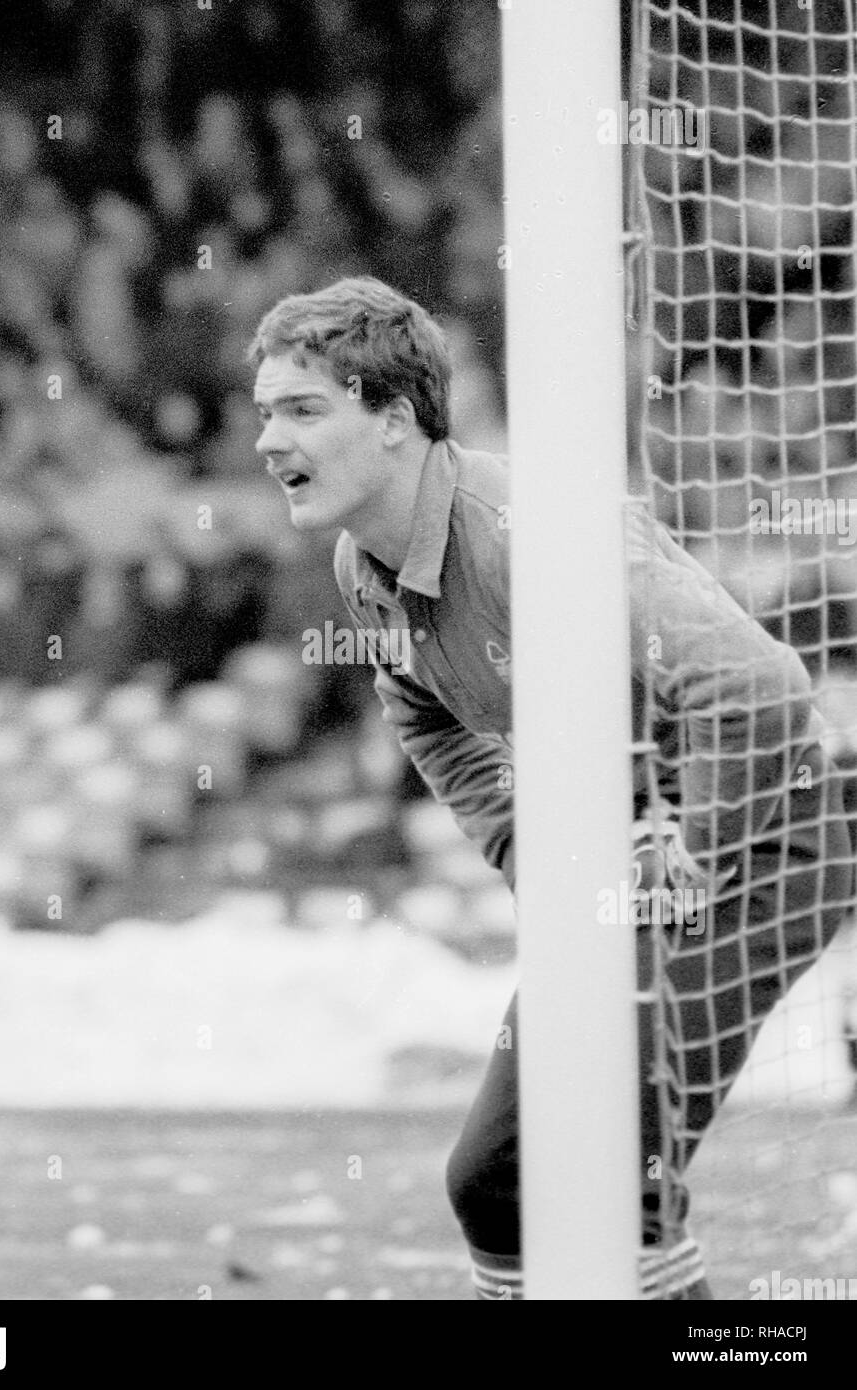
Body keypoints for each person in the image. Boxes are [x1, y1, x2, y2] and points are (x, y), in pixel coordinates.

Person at [248, 276, 854, 1300]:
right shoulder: (364, 561)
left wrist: (691, 855)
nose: (269, 441)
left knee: (617, 1179)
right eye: (264, 412)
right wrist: (550, 870)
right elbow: (425, 715)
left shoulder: (532, 534)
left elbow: (758, 685)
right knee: (493, 1181)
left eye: (303, 409)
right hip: (635, 873)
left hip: (773, 847)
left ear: (395, 420)